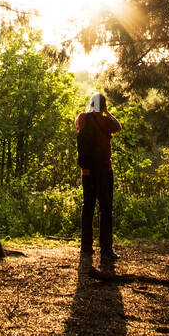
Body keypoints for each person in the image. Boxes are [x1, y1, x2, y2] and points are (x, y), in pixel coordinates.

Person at [75, 92, 120, 263]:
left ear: (92, 104)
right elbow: (118, 127)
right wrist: (107, 112)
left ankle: (86, 247)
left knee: (88, 206)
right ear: (104, 105)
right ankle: (106, 249)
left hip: (87, 171)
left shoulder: (83, 118)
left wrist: (91, 111)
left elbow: (78, 127)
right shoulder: (107, 121)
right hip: (104, 170)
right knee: (106, 209)